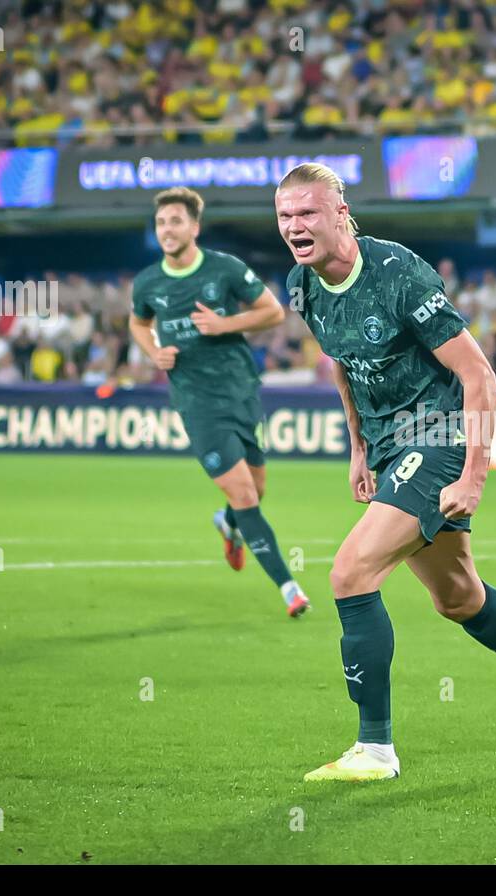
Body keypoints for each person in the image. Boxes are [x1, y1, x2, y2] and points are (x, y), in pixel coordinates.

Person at [276, 162, 496, 782]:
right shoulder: (302, 285)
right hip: (391, 447)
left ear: (341, 214)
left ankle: (375, 749)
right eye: (285, 217)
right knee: (457, 597)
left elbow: (480, 376)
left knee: (350, 573)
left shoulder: (397, 272)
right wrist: (359, 447)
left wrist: (475, 473)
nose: (295, 226)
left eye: (308, 213)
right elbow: (342, 364)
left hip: (441, 434)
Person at [129, 186, 310, 618]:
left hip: (240, 390)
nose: (167, 230)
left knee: (257, 489)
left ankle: (228, 524)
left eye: (175, 221)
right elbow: (138, 322)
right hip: (196, 402)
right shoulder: (147, 282)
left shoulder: (225, 268)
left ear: (194, 226)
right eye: (161, 222)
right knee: (246, 493)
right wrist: (154, 352)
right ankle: (289, 588)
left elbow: (272, 312)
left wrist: (224, 323)